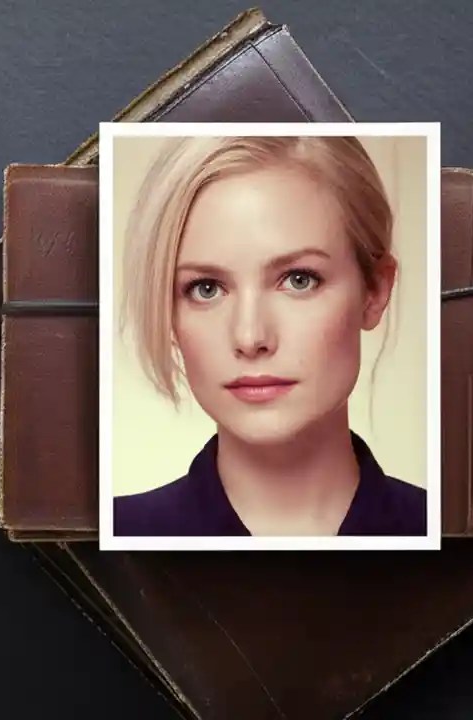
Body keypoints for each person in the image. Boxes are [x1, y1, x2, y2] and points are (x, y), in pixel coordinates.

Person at [111, 136, 427, 537]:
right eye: (206, 288)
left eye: (299, 280)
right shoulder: (109, 538)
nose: (250, 337)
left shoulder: (451, 537)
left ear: (375, 291)